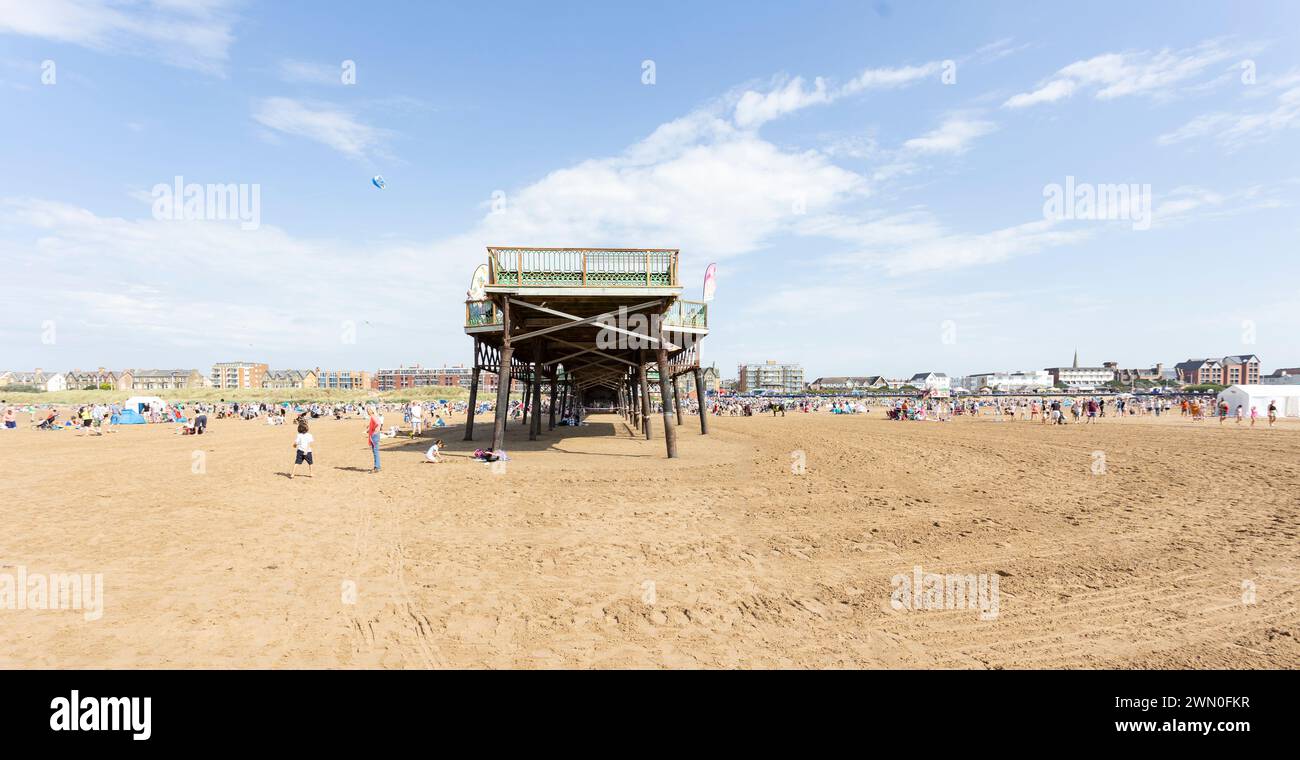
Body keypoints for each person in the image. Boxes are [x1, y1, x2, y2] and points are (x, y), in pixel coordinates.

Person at [366, 406, 381, 472]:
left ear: (372, 410)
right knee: (375, 451)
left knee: (375, 451)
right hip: (375, 435)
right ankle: (377, 466)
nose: (367, 411)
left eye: (369, 410)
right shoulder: (374, 416)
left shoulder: (373, 417)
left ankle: (377, 467)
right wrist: (370, 428)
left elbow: (377, 423)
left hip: (374, 435)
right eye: (367, 410)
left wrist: (373, 429)